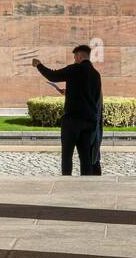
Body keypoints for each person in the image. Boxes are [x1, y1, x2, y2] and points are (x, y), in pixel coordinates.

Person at [32, 45, 103, 177]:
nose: (74, 59)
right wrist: (69, 92)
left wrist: (39, 65)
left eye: (75, 57)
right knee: (86, 157)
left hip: (72, 120)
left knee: (67, 155)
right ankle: (87, 183)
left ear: (80, 56)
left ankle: (66, 182)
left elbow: (53, 75)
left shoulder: (75, 69)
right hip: (89, 122)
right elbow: (92, 96)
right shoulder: (95, 74)